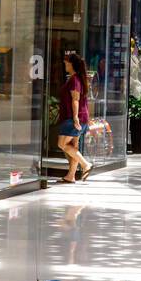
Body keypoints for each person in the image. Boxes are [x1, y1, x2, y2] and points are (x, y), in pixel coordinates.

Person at [58, 50, 92, 183]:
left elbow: (75, 99)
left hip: (73, 118)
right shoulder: (78, 78)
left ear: (71, 64)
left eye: (66, 62)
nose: (65, 64)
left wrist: (75, 118)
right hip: (80, 117)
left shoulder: (74, 79)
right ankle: (71, 175)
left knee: (62, 144)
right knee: (73, 146)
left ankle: (85, 164)